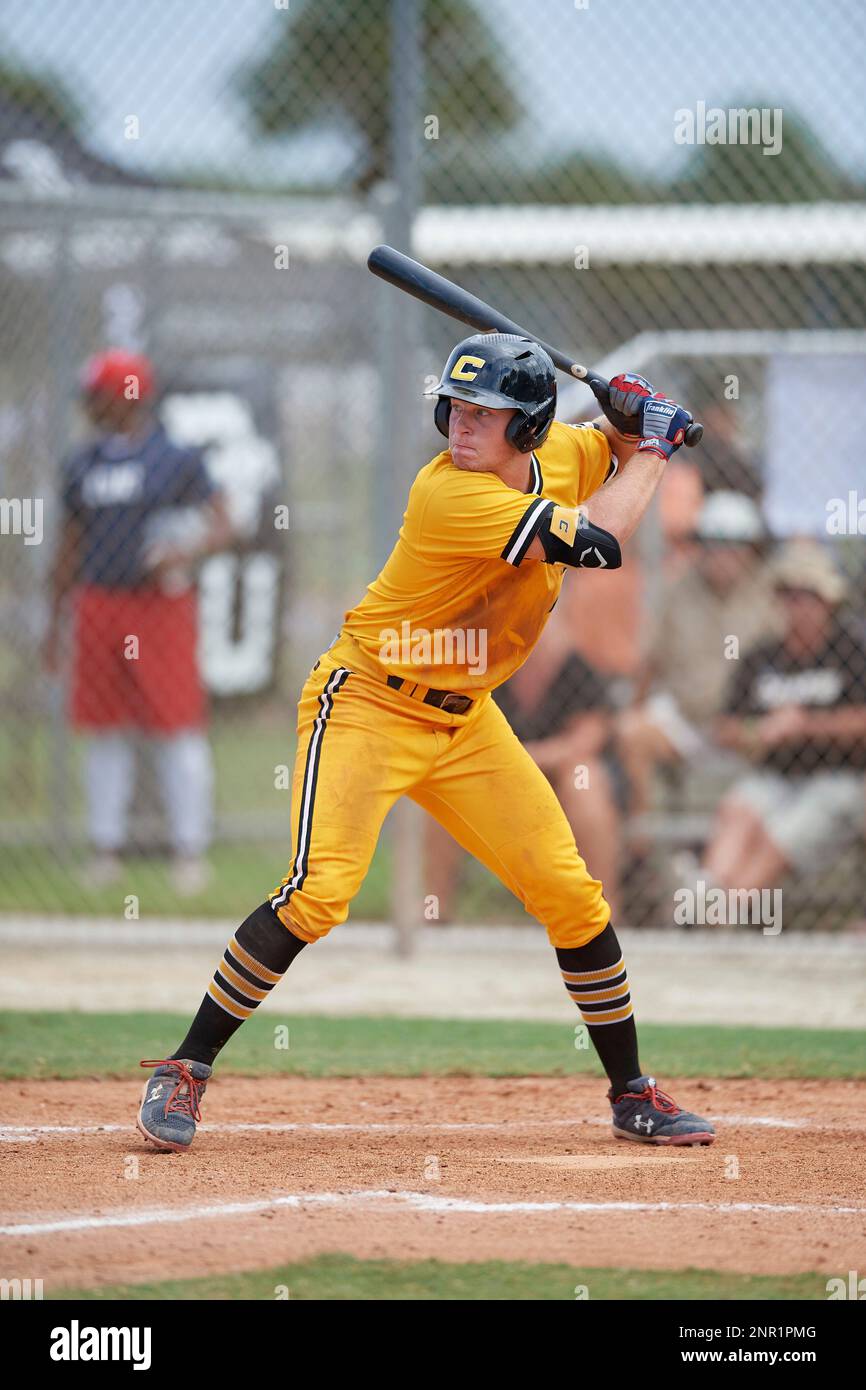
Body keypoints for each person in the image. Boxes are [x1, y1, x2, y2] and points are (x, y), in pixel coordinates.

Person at [136, 342, 715, 1150]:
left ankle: (632, 1094)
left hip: (464, 715)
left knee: (570, 894)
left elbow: (609, 451)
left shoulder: (560, 456)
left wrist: (628, 416)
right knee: (318, 893)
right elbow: (600, 542)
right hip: (370, 699)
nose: (462, 426)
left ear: (532, 426)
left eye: (484, 414)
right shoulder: (449, 493)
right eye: (456, 408)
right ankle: (186, 1068)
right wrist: (654, 440)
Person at [44, 349, 234, 895]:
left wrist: (185, 550)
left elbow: (224, 522)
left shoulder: (174, 458)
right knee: (106, 732)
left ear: (126, 397)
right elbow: (68, 547)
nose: (90, 405)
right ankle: (105, 851)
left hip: (161, 608)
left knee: (178, 728)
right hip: (100, 603)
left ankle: (189, 853)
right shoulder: (81, 463)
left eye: (99, 394)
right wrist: (55, 623)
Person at [425, 602, 622, 921]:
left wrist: (515, 756)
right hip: (501, 782)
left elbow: (584, 744)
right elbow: (457, 735)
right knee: (442, 791)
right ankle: (436, 912)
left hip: (558, 783)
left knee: (585, 780)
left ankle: (604, 915)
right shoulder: (487, 667)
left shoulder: (574, 667)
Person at [702, 539, 866, 894]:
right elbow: (724, 729)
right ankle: (711, 892)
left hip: (837, 778)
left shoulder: (851, 651)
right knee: (738, 809)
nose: (799, 606)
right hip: (772, 776)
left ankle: (717, 911)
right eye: (790, 595)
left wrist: (805, 726)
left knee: (784, 831)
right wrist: (759, 730)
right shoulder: (763, 656)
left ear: (829, 601)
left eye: (809, 596)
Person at [617, 491, 781, 839]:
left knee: (779, 732)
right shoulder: (677, 592)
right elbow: (650, 663)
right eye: (714, 543)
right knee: (632, 732)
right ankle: (648, 844)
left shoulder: (770, 597)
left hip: (747, 722)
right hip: (688, 721)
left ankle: (761, 834)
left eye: (733, 545)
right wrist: (637, 706)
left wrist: (750, 723)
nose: (722, 555)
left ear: (751, 550)